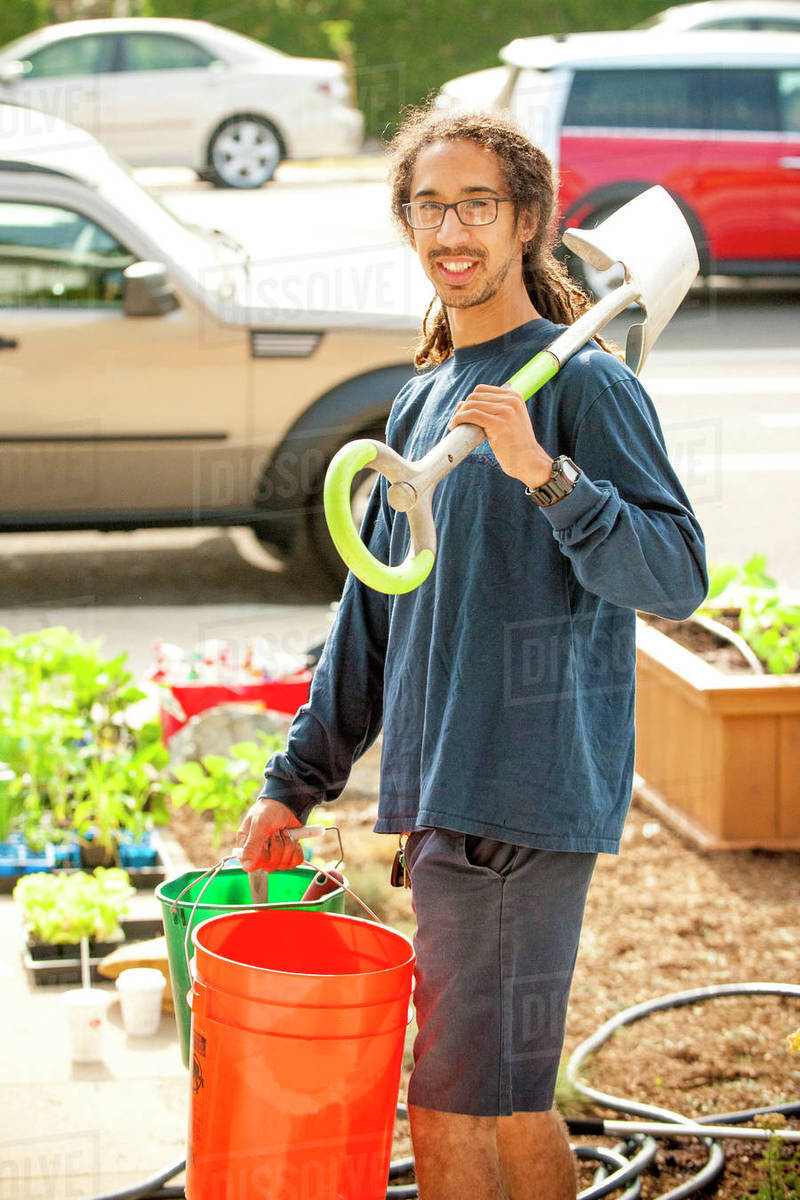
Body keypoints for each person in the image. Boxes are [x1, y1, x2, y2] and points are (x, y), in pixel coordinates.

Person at [236, 106, 708, 1200]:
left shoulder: (581, 385)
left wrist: (546, 475)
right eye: (427, 205)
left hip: (521, 798)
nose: (450, 228)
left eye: (476, 205)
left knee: (461, 1102)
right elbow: (372, 617)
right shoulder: (417, 404)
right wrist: (291, 785)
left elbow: (674, 575)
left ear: (528, 220)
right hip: (447, 796)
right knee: (488, 1095)